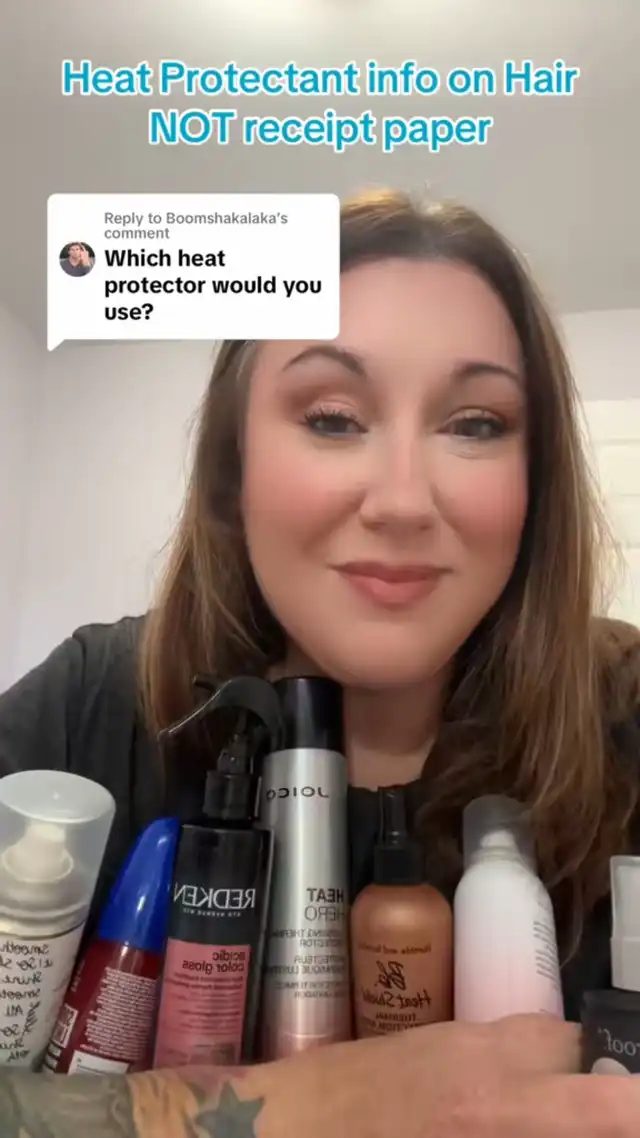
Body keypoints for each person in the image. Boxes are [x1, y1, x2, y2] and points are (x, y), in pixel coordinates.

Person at [1, 188, 640, 1136]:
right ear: (232, 473)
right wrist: (286, 1110)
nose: (403, 501)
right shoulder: (93, 700)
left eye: (475, 424)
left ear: (534, 483)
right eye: (335, 417)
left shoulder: (626, 709)